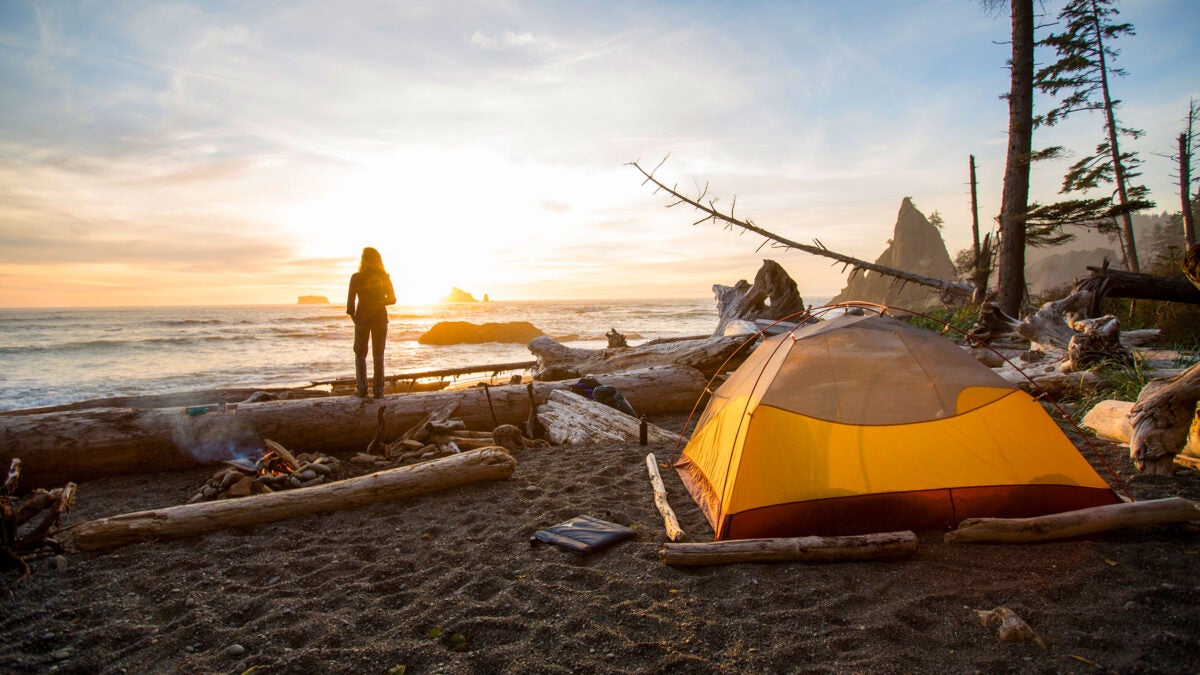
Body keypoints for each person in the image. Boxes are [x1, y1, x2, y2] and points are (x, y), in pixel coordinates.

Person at [346, 247, 397, 398]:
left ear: (364, 259)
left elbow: (350, 303)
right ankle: (378, 390)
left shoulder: (356, 277)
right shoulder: (384, 277)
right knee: (378, 355)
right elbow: (393, 299)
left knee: (360, 354)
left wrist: (355, 318)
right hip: (380, 319)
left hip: (362, 320)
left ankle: (362, 388)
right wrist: (381, 301)